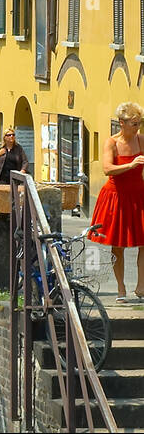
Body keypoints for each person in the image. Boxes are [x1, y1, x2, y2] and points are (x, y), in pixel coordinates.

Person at [89, 102, 144, 302]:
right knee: (117, 245)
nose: (137, 127)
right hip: (116, 196)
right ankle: (121, 288)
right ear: (121, 123)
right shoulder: (111, 143)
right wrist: (131, 164)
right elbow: (107, 169)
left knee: (143, 242)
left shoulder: (141, 140)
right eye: (133, 123)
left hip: (138, 195)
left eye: (139, 123)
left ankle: (141, 286)